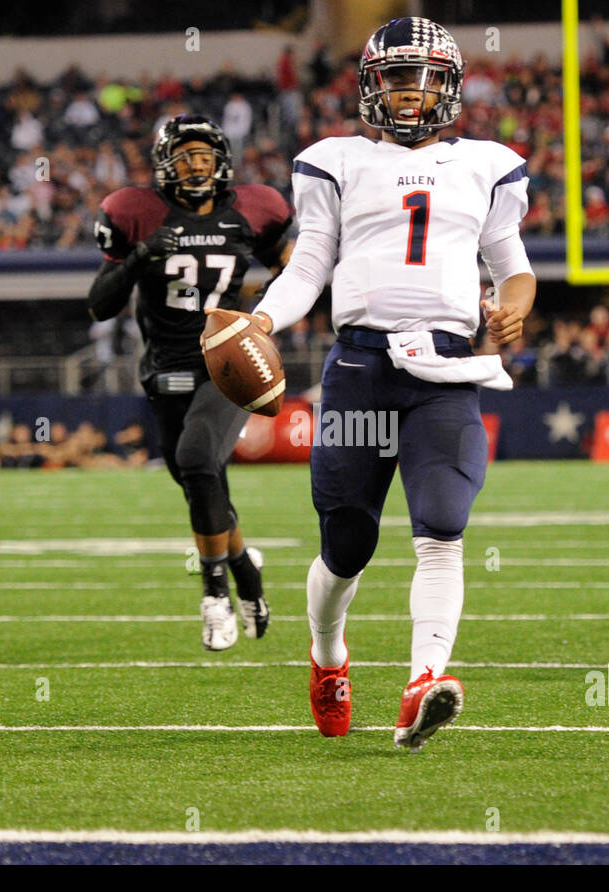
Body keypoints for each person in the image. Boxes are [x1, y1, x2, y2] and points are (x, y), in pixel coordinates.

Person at [225, 17, 534, 749]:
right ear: (371, 84)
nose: (408, 91)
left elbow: (512, 265)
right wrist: (263, 322)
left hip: (446, 373)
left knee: (444, 525)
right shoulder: (336, 160)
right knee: (347, 541)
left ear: (449, 86)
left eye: (423, 76)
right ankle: (328, 655)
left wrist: (512, 309)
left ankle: (425, 679)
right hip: (363, 369)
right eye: (396, 76)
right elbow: (308, 267)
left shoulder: (488, 165)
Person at [88, 115, 294, 651]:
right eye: (185, 156)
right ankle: (246, 569)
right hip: (163, 365)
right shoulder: (134, 212)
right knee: (198, 479)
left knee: (200, 460)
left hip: (226, 361)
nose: (197, 165)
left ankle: (214, 595)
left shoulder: (256, 207)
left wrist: (260, 317)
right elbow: (99, 304)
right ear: (165, 165)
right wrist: (139, 255)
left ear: (222, 160)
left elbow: (296, 269)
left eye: (205, 155)